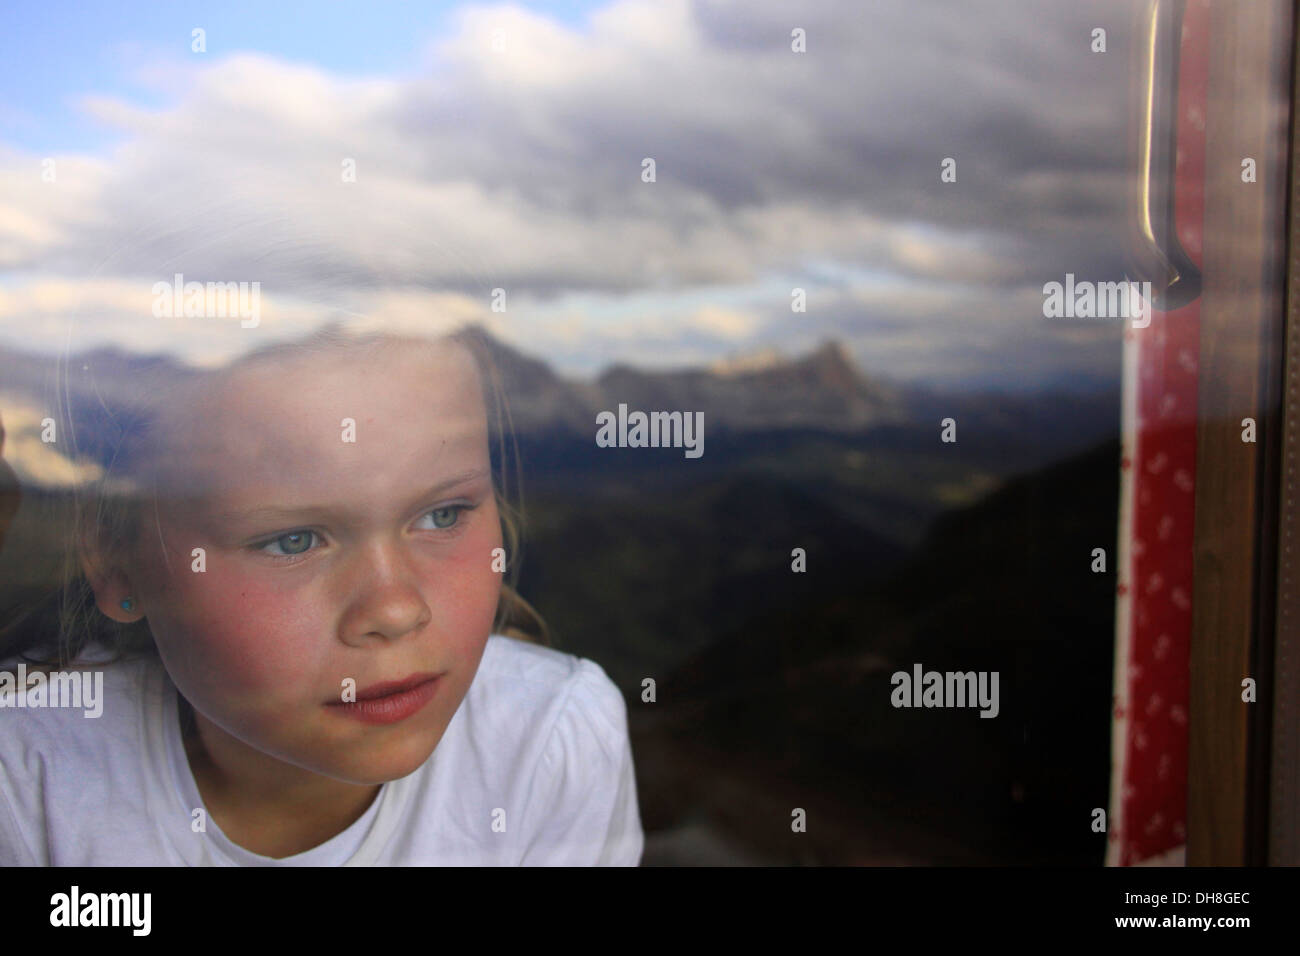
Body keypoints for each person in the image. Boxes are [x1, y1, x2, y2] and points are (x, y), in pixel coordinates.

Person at [0, 324, 643, 865]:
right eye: (292, 541)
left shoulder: (552, 743)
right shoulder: (27, 781)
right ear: (117, 563)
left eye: (443, 515)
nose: (396, 610)